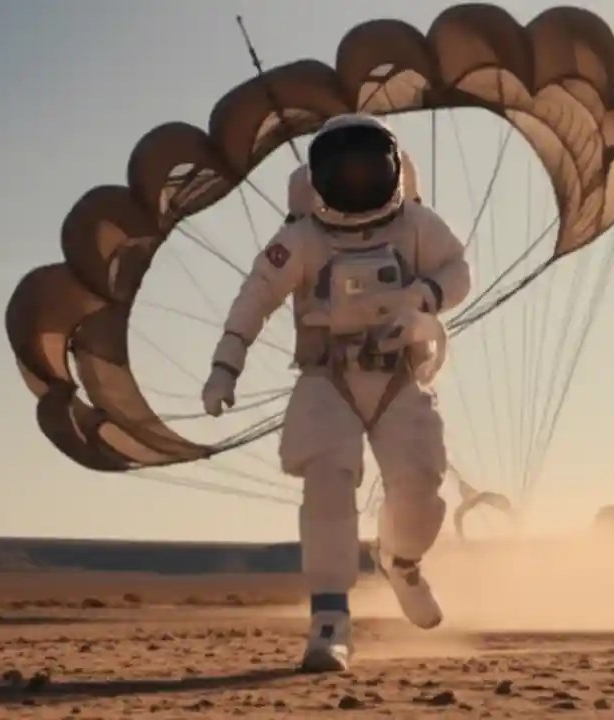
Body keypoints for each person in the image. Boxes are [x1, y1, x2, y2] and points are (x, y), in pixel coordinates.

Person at [200, 113, 471, 673]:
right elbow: (256, 297)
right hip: (328, 378)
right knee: (327, 485)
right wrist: (226, 365)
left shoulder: (417, 225)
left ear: (393, 168)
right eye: (340, 170)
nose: (354, 179)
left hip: (398, 374)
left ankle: (403, 561)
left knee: (419, 486)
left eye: (366, 166)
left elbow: (458, 269)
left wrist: (424, 295)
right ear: (318, 177)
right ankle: (330, 621)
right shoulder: (302, 238)